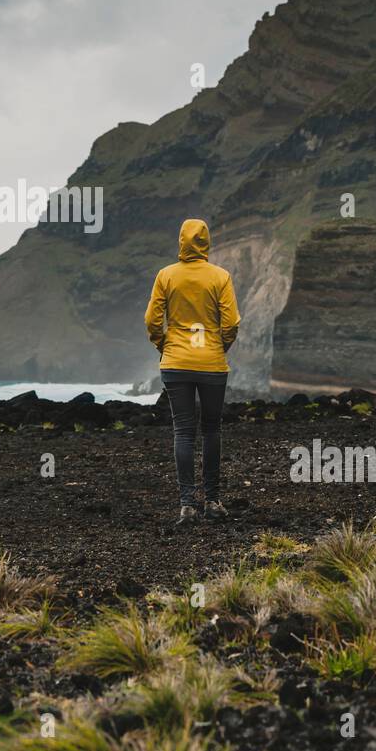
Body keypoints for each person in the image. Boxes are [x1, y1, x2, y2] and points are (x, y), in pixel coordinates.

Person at [144, 218, 241, 525]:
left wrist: (164, 346)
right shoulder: (220, 277)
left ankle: (187, 504)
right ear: (207, 243)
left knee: (183, 432)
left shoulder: (166, 275)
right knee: (212, 429)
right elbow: (232, 323)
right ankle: (212, 501)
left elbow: (151, 320)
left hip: (175, 364)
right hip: (211, 363)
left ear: (181, 241)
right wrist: (218, 348)